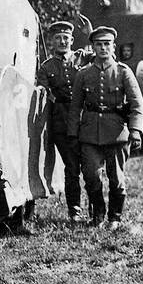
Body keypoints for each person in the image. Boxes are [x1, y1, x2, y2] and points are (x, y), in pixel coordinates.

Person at [67, 26, 143, 229]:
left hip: (117, 133)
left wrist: (135, 130)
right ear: (93, 47)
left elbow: (137, 103)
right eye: (99, 44)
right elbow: (75, 107)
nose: (103, 48)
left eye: (106, 44)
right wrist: (73, 134)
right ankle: (98, 214)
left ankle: (115, 217)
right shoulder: (84, 74)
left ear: (113, 47)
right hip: (90, 133)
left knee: (116, 178)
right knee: (91, 175)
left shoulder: (123, 72)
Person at [36, 18, 93, 222]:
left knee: (91, 166)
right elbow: (42, 92)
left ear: (72, 40)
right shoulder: (46, 66)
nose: (62, 42)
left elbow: (107, 57)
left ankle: (95, 208)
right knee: (71, 167)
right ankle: (75, 210)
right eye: (58, 38)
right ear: (52, 41)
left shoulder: (82, 57)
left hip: (86, 118)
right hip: (61, 121)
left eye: (66, 38)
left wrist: (90, 34)